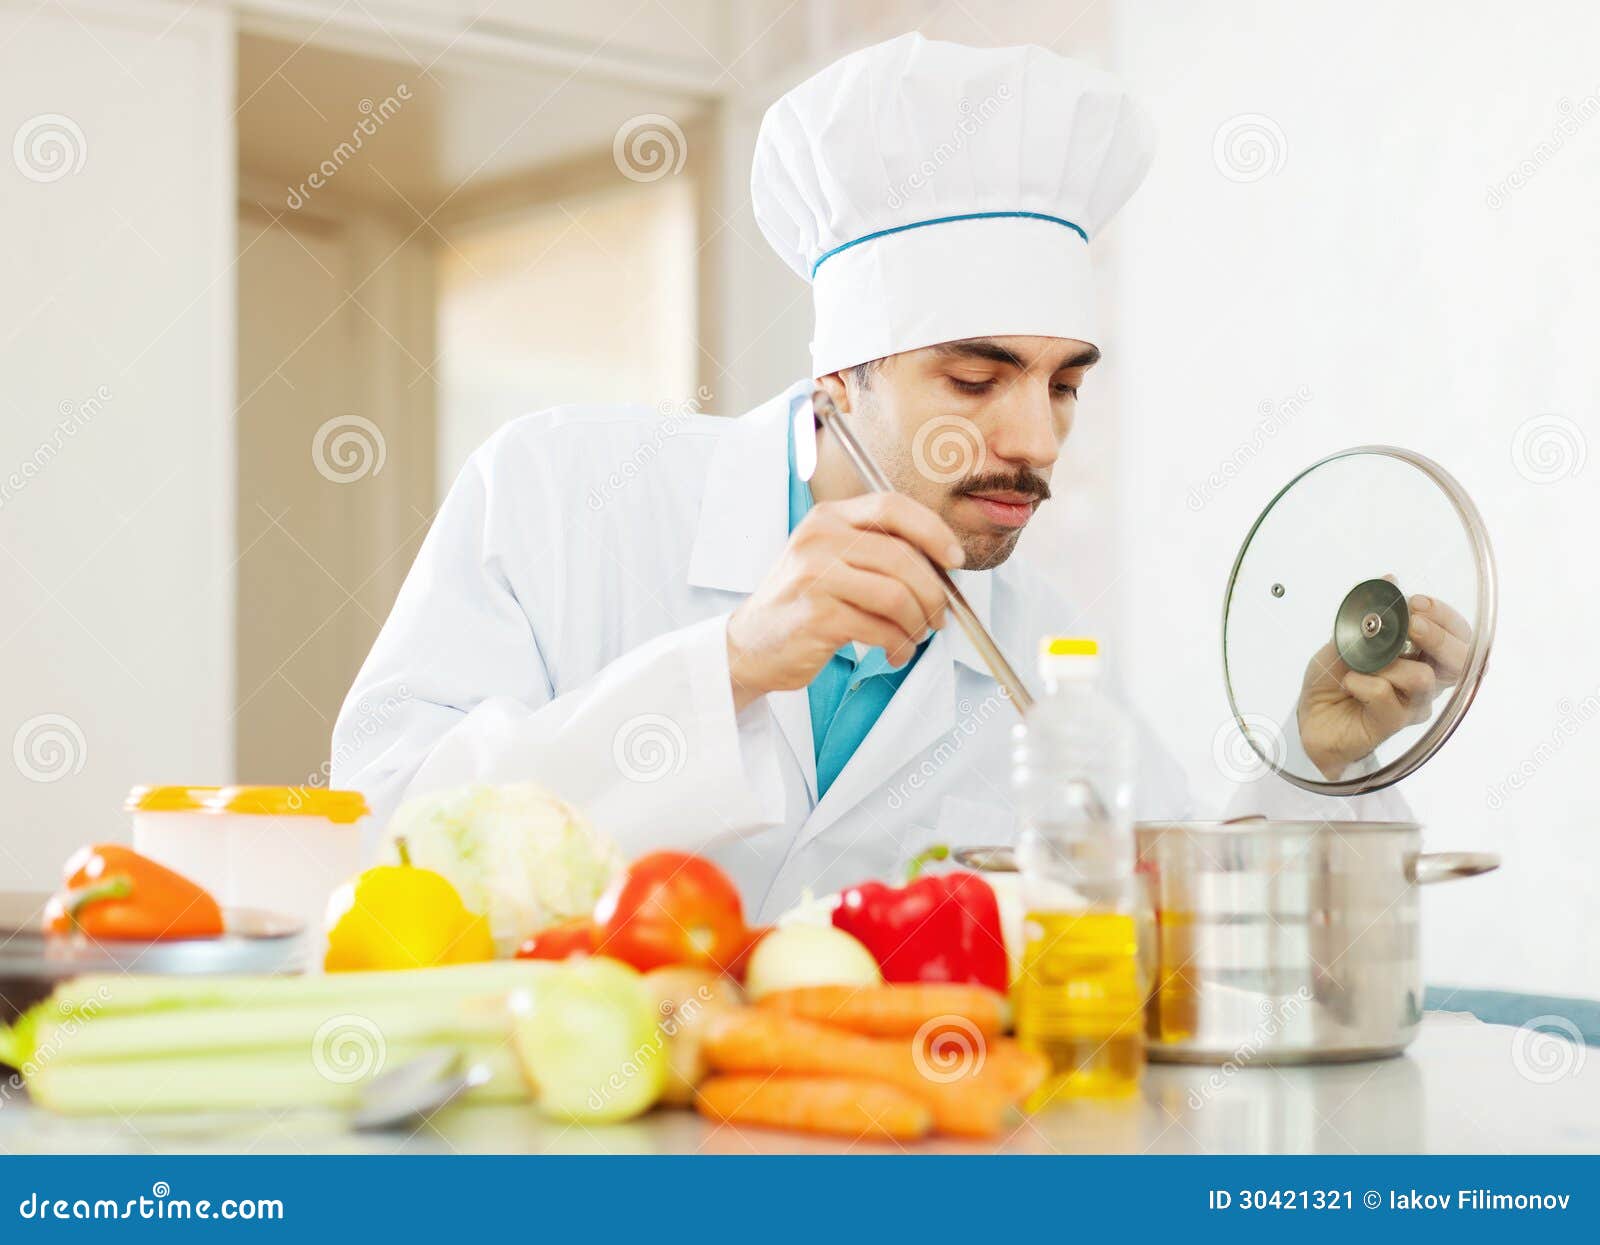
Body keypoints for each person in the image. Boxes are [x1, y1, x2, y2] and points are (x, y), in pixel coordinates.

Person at [331, 34, 1416, 918]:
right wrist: (728, 668)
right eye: (976, 378)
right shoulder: (562, 493)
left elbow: (1172, 926)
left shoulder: (1037, 647)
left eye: (1063, 385)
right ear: (841, 378)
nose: (1036, 440)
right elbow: (384, 841)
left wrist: (1315, 771)